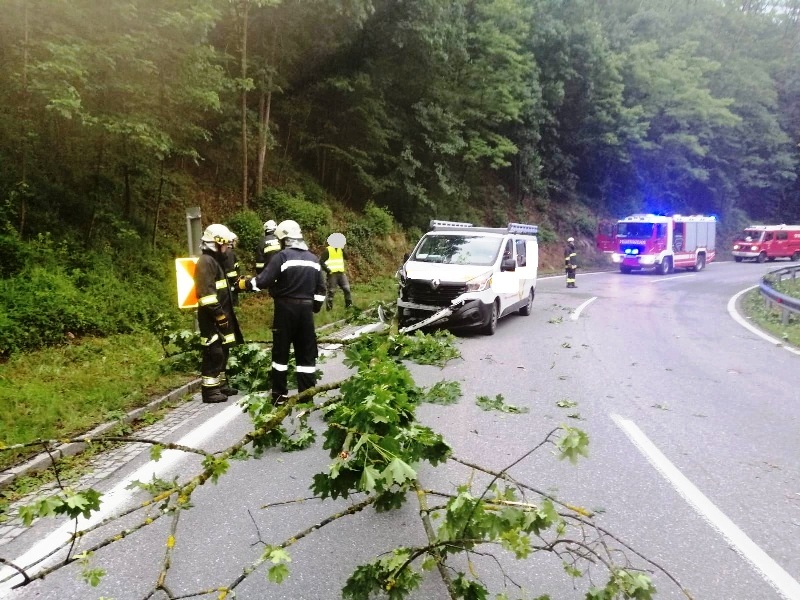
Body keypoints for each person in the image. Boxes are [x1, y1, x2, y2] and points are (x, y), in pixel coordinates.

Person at [241, 219, 326, 406]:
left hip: (285, 310)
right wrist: (315, 307)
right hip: (306, 312)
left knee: (281, 353)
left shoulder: (282, 257)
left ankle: (279, 396)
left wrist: (244, 284)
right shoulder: (314, 259)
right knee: (306, 354)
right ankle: (306, 396)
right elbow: (321, 290)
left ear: (285, 239)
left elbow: (263, 280)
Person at [194, 224, 243, 403]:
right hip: (211, 317)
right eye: (225, 245)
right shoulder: (206, 262)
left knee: (223, 350)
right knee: (213, 352)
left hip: (221, 314)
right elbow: (206, 295)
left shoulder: (216, 262)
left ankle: (221, 385)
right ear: (216, 243)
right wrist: (219, 315)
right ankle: (210, 391)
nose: (227, 249)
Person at [320, 233, 352, 310]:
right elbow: (321, 261)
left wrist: (343, 249)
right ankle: (329, 309)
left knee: (347, 289)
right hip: (332, 274)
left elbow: (347, 257)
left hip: (341, 273)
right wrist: (328, 270)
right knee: (331, 292)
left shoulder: (341, 249)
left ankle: (349, 306)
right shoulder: (328, 250)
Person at [223, 233, 241, 307]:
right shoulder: (229, 252)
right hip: (231, 285)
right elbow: (231, 272)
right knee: (233, 306)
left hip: (227, 285)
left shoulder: (226, 251)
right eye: (234, 241)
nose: (235, 243)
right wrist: (237, 281)